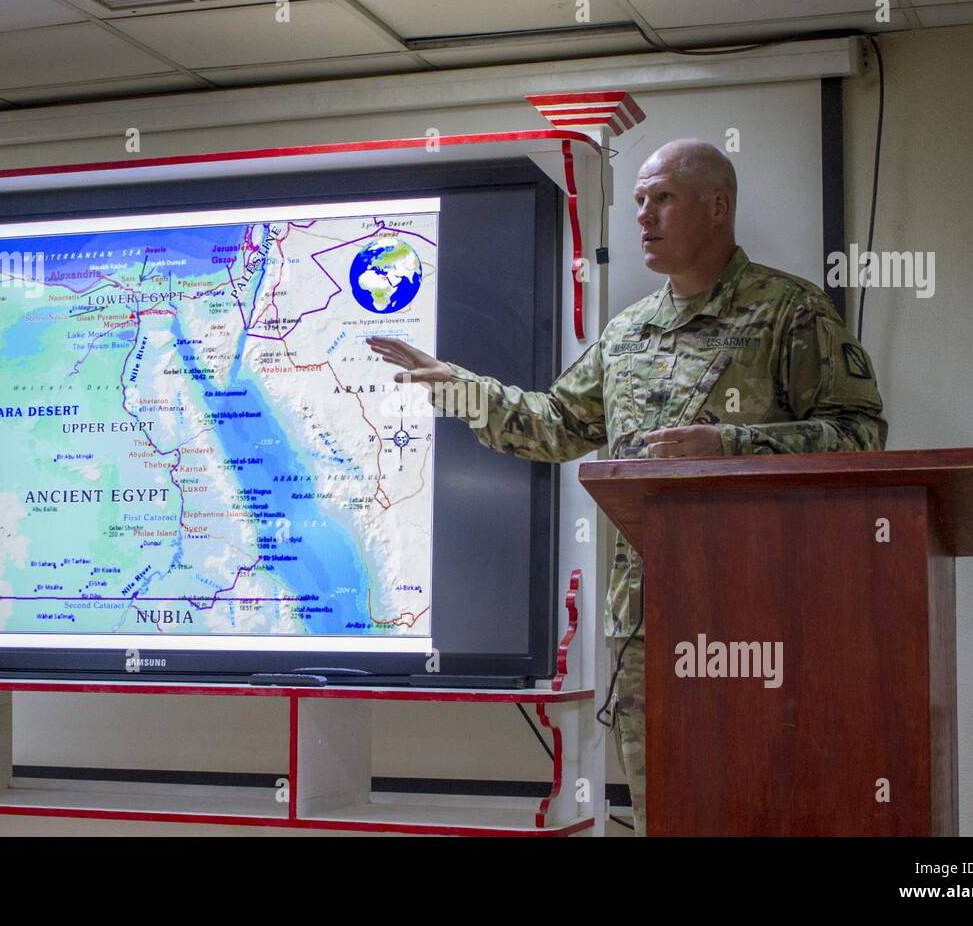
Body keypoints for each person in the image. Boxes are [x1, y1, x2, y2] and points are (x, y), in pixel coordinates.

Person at [365, 138, 887, 835]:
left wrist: (729, 446)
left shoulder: (790, 313)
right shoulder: (629, 334)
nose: (644, 216)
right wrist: (458, 390)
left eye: (663, 198)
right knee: (667, 812)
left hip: (766, 623)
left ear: (718, 206)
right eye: (638, 201)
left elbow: (859, 436)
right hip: (646, 626)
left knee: (773, 806)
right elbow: (552, 424)